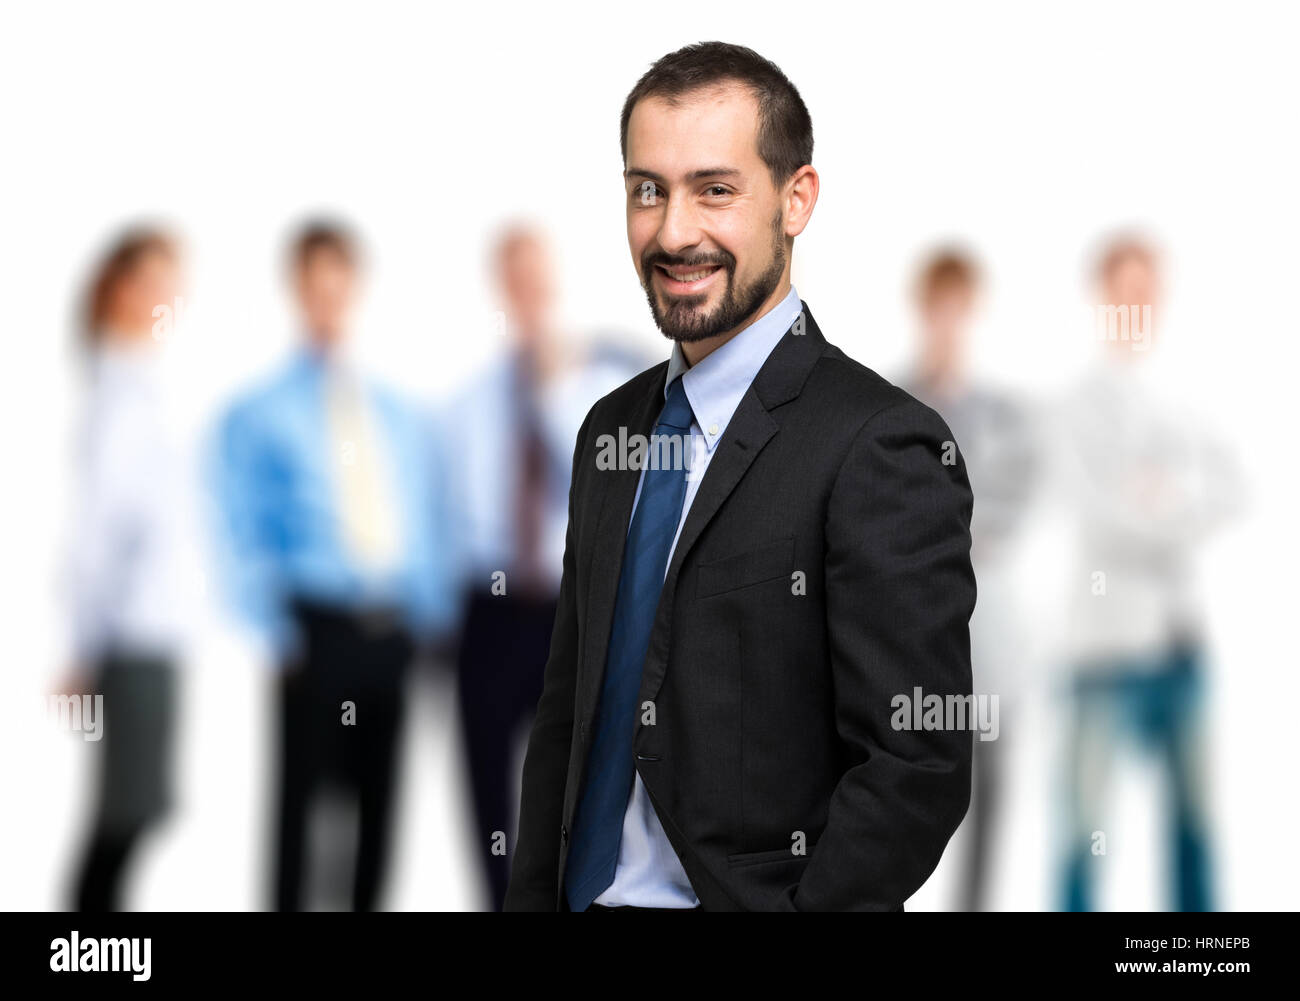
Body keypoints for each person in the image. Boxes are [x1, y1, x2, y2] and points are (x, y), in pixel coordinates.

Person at [505, 42, 976, 912]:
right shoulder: (610, 430)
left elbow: (918, 764)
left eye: (714, 189)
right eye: (648, 189)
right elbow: (566, 719)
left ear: (796, 201)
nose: (674, 230)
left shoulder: (880, 445)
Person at [208, 220, 456, 911]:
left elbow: (420, 516)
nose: (326, 298)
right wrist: (273, 628)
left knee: (380, 810)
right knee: (301, 809)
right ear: (296, 289)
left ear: (353, 289)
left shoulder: (395, 410)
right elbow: (238, 525)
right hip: (316, 629)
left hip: (391, 629)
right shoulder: (258, 411)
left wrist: (431, 621)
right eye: (313, 284)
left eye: (337, 284)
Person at [441, 224, 644, 910]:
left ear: (553, 283)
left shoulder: (605, 385)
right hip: (489, 613)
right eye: (513, 277)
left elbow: (598, 485)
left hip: (571, 610)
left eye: (536, 276)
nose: (526, 292)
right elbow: (453, 521)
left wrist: (554, 386)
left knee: (577, 786)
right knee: (487, 796)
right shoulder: (469, 402)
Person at [1053, 235, 1242, 911]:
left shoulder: (1186, 394)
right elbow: (1103, 516)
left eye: (1147, 288)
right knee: (1083, 834)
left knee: (1196, 831)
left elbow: (1238, 488)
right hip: (1105, 652)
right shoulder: (1078, 401)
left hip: (1181, 646)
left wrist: (1160, 494)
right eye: (1124, 288)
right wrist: (1176, 503)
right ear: (1104, 298)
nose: (1137, 301)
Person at [899, 248, 1038, 911]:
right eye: (938, 307)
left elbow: (1010, 514)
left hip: (989, 648)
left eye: (960, 308)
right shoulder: (889, 406)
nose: (948, 322)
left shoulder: (1004, 414)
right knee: (897, 802)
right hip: (910, 650)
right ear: (923, 310)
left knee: (992, 804)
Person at [62, 227, 191, 910]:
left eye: (172, 282)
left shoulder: (148, 381)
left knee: (143, 805)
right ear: (117, 288)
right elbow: (95, 536)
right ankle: (88, 946)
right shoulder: (117, 392)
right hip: (130, 635)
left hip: (161, 630)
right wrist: (81, 646)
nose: (165, 296)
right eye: (151, 281)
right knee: (126, 809)